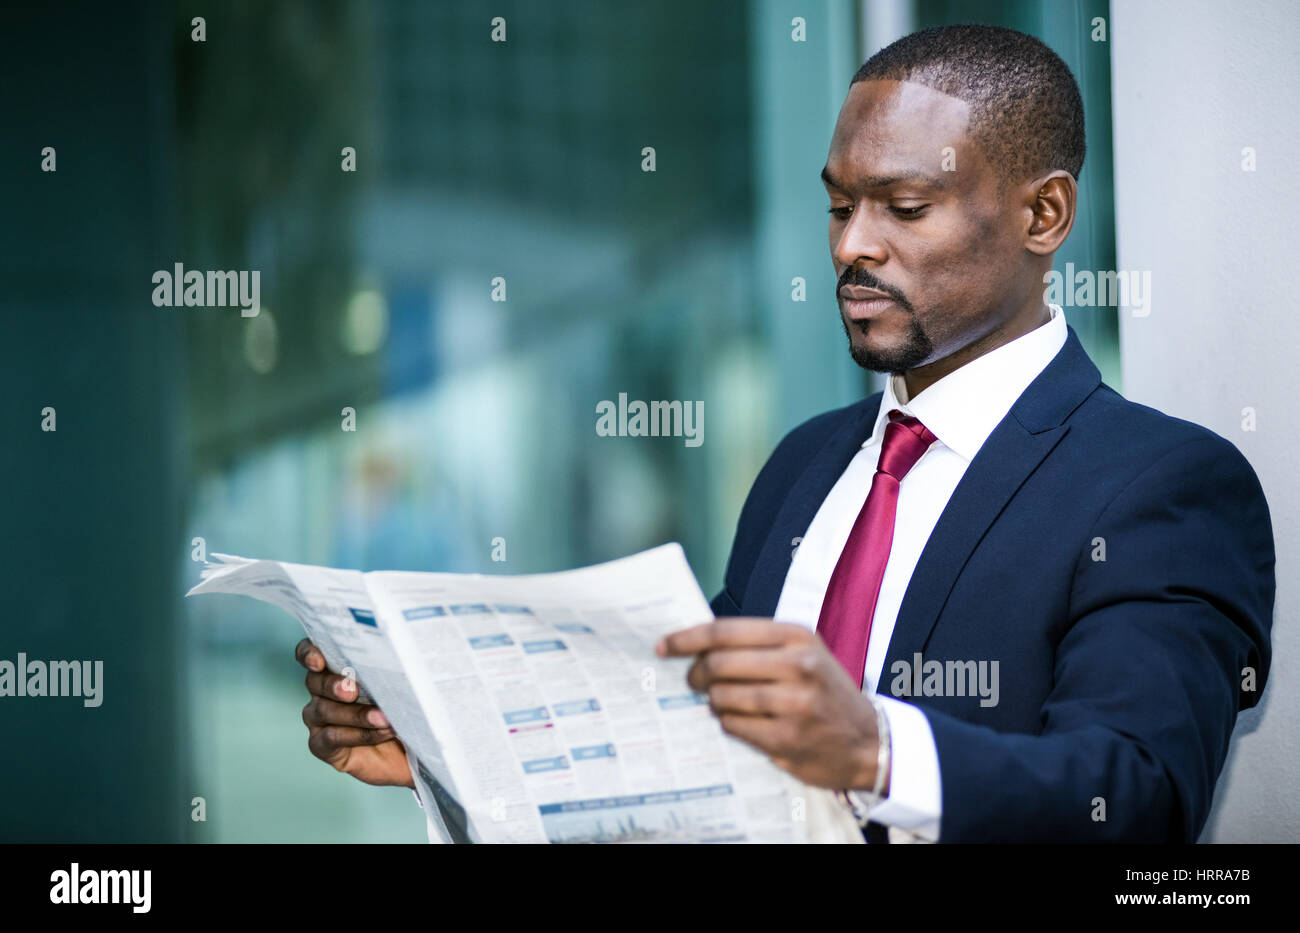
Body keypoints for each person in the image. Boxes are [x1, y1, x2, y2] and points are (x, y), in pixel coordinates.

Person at [295, 24, 1274, 843]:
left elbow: (1139, 797)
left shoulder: (1162, 485)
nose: (852, 244)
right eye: (839, 205)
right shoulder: (805, 467)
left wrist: (873, 749)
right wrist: (443, 758)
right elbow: (679, 771)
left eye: (903, 206)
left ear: (1045, 214)